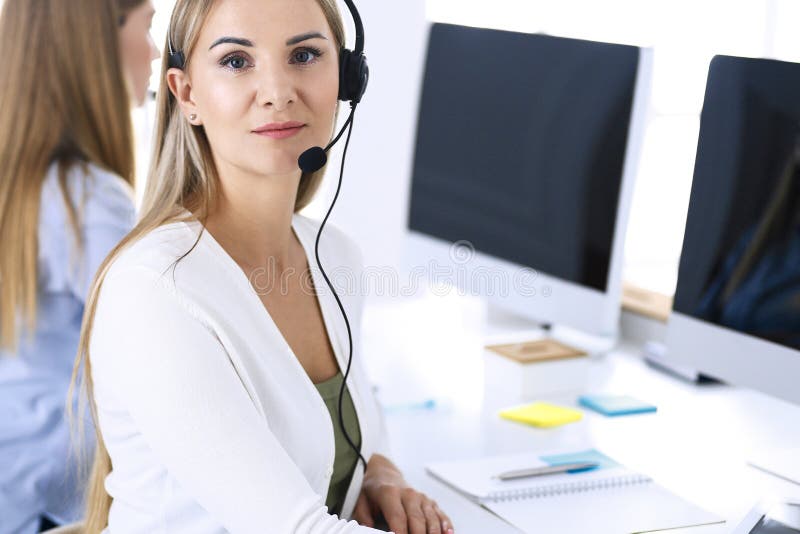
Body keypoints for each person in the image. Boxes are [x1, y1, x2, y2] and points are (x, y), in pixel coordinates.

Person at [73, 0, 456, 532]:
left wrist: (380, 475)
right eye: (236, 61)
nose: (278, 91)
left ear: (347, 79)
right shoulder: (156, 290)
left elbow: (353, 427)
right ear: (187, 95)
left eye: (304, 54)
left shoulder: (334, 256)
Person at [0, 0, 160, 531]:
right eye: (150, 27)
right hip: (51, 504)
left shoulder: (28, 183)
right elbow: (160, 358)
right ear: (99, 41)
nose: (157, 52)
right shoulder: (86, 200)